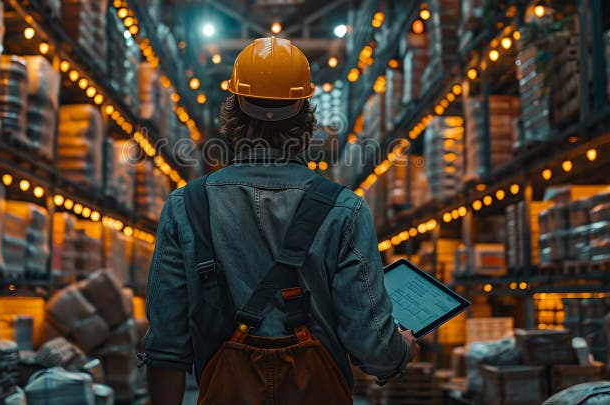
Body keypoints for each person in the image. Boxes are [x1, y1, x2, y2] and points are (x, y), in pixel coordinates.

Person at [141, 37, 418, 404]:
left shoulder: (186, 206)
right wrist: (403, 349)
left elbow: (166, 347)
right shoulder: (345, 210)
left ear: (232, 112)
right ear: (306, 117)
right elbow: (374, 350)